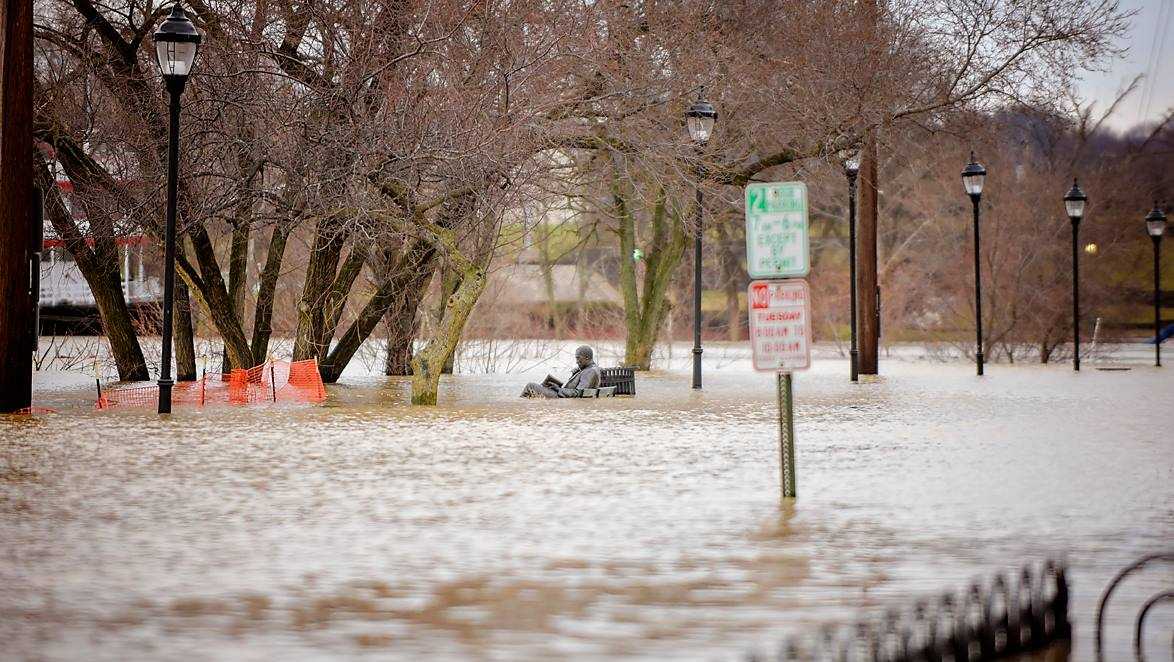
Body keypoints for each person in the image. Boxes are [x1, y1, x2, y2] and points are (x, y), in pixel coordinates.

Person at [521, 345, 602, 398]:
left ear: (587, 357)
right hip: (563, 393)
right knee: (543, 386)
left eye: (578, 358)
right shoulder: (590, 369)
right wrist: (577, 373)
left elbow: (578, 393)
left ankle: (521, 405)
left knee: (531, 386)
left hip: (560, 396)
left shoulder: (589, 371)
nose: (577, 361)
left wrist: (558, 389)